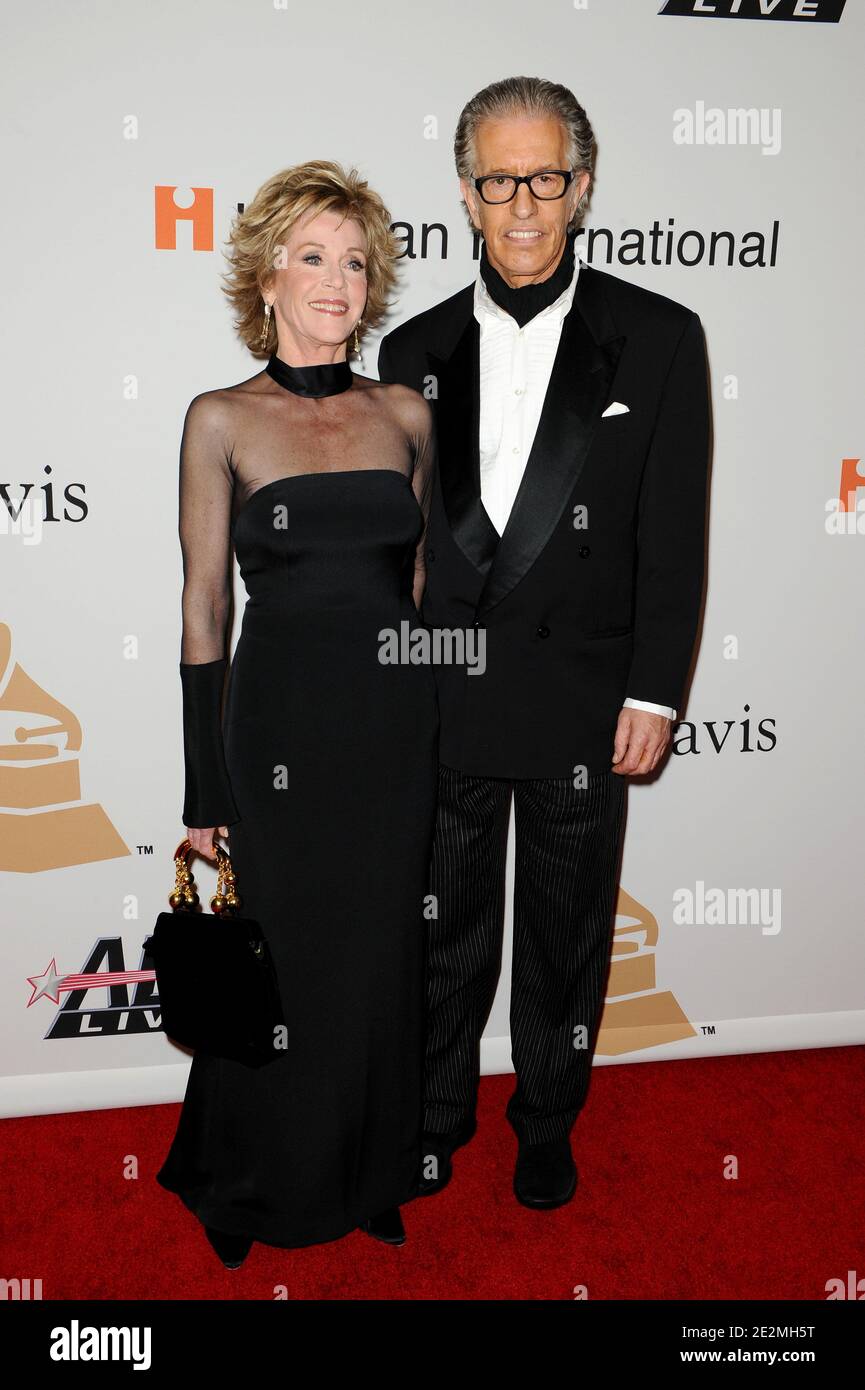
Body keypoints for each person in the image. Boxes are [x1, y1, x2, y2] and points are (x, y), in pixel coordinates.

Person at [378, 76, 710, 1209]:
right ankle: (435, 1114)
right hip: (448, 689)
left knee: (565, 932)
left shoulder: (658, 337)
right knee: (444, 925)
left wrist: (654, 692)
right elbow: (396, 547)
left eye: (545, 178)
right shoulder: (410, 349)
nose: (522, 204)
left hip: (584, 693)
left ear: (582, 185)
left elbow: (672, 533)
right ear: (465, 193)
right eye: (497, 180)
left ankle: (547, 1119)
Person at [156, 161, 439, 1266]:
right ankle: (244, 1183)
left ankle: (372, 1170)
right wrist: (204, 785)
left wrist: (437, 715)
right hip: (277, 729)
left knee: (377, 955)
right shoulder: (222, 419)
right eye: (312, 257)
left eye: (354, 262)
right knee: (273, 957)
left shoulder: (405, 414)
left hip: (391, 732)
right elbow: (202, 605)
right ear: (267, 277)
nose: (336, 281)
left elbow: (419, 588)